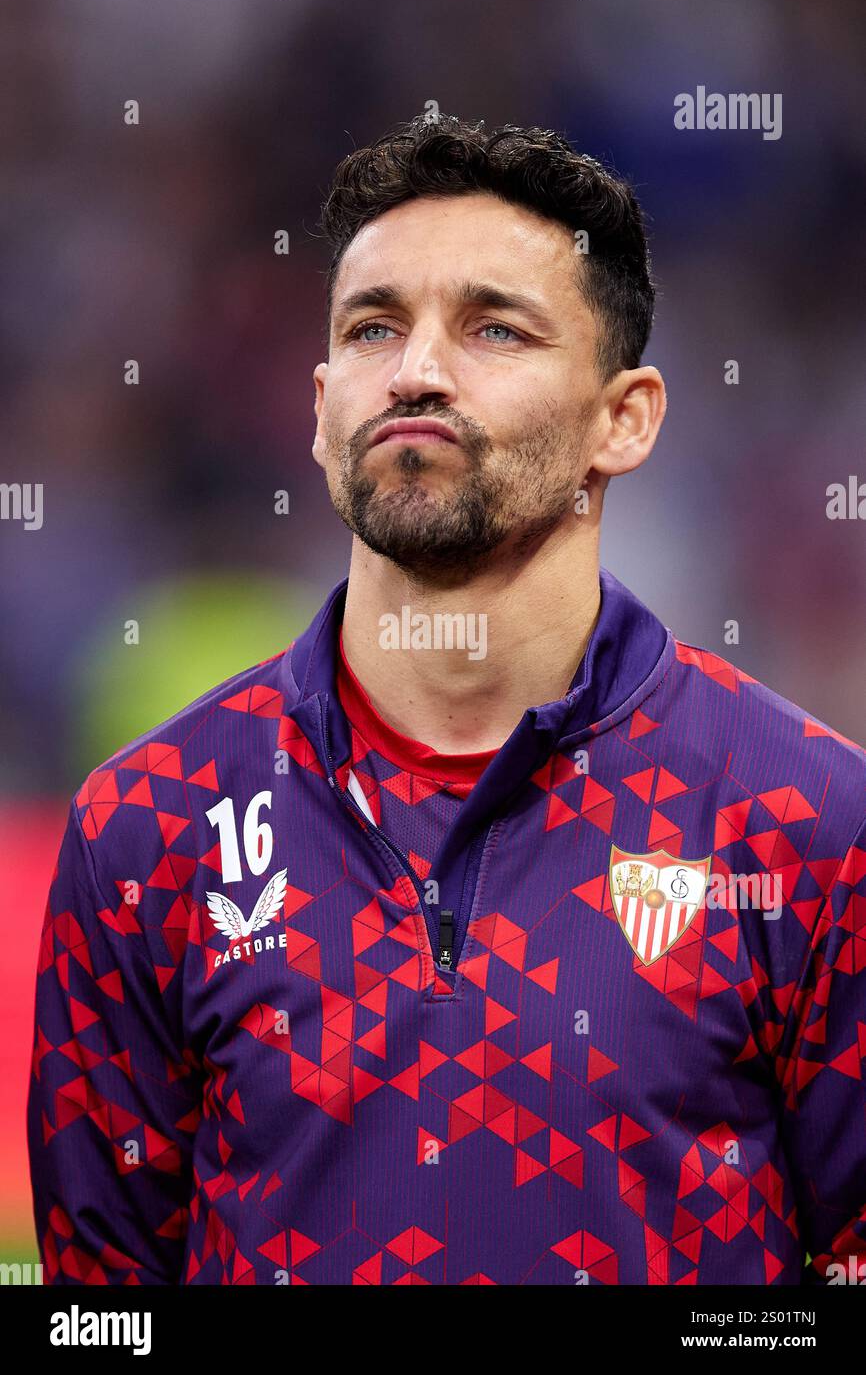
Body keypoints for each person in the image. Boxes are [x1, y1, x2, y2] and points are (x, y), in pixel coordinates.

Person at [28, 115, 866, 1285]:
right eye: (374, 326)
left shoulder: (811, 819)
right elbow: (96, 1307)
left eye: (492, 327)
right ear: (322, 409)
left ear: (621, 419)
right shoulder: (146, 826)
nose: (416, 369)